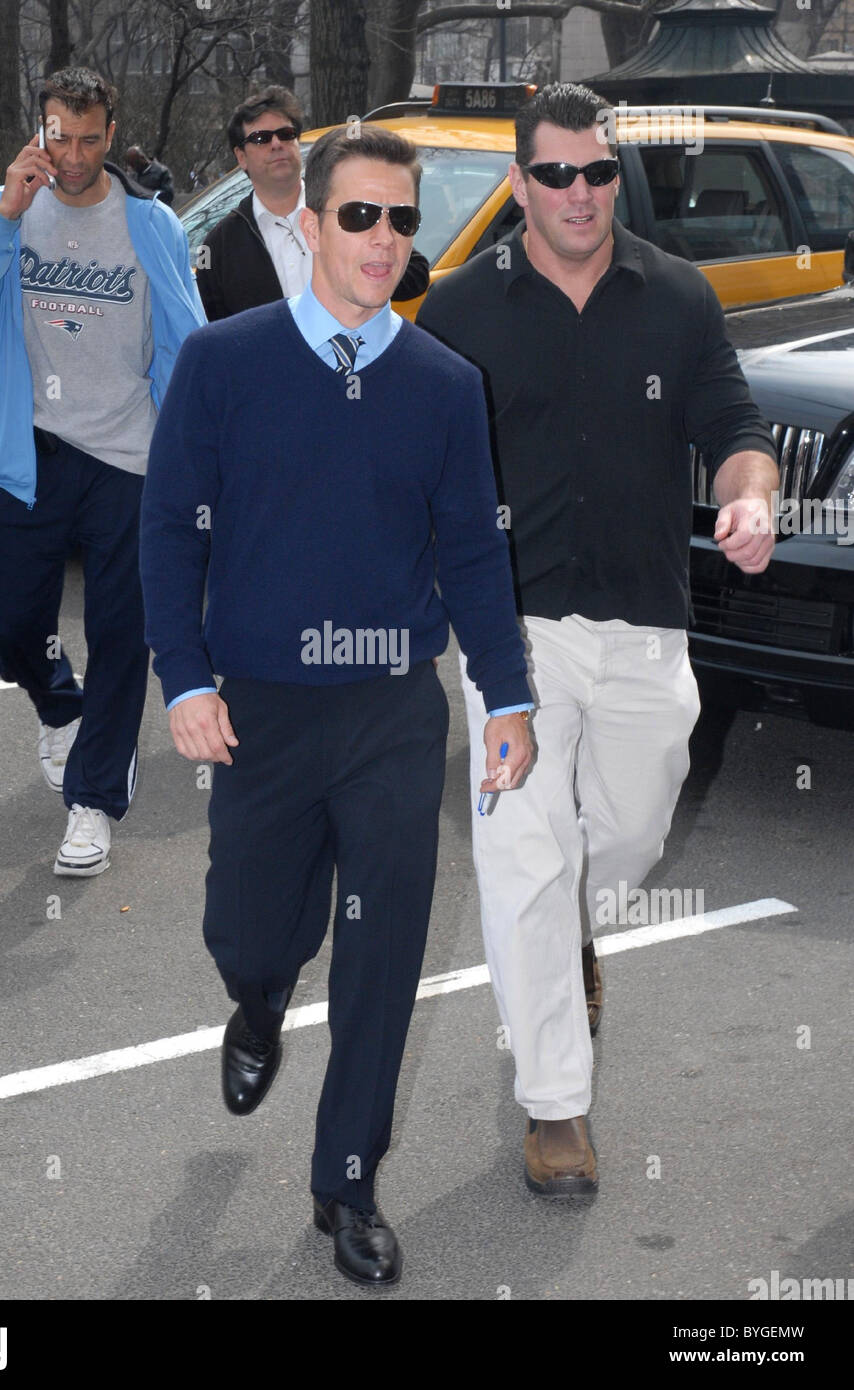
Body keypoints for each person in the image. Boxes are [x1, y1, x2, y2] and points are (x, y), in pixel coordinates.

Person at [140, 125, 534, 1287]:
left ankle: (346, 1183)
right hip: (257, 706)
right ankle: (256, 1002)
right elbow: (167, 528)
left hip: (389, 714)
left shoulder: (444, 385)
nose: (382, 239)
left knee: (382, 954)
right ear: (306, 222)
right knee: (253, 928)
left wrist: (503, 697)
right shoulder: (224, 362)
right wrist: (188, 677)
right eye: (359, 215)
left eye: (401, 219)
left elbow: (471, 554)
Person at [416, 82, 777, 1197]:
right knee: (524, 856)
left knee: (622, 831)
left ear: (617, 176)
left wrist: (750, 495)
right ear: (519, 182)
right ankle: (555, 1109)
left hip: (642, 619)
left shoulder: (675, 297)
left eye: (597, 172)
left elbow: (732, 429)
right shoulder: (459, 309)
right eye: (555, 174)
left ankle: (571, 940)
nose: (579, 193)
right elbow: (414, 460)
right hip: (508, 626)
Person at [0, 66, 205, 877]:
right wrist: (5, 218)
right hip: (32, 455)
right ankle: (57, 701)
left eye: (89, 139)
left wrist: (203, 453)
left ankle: (92, 801)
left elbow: (189, 342)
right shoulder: (8, 209)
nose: (74, 154)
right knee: (4, 618)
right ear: (40, 130)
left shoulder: (150, 224)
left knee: (125, 638)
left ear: (110, 135)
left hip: (130, 462)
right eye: (60, 136)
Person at [195, 85, 430, 320]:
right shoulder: (221, 243)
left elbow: (417, 274)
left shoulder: (347, 211)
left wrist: (363, 276)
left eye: (286, 134)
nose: (276, 144)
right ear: (241, 157)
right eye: (261, 138)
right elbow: (215, 325)